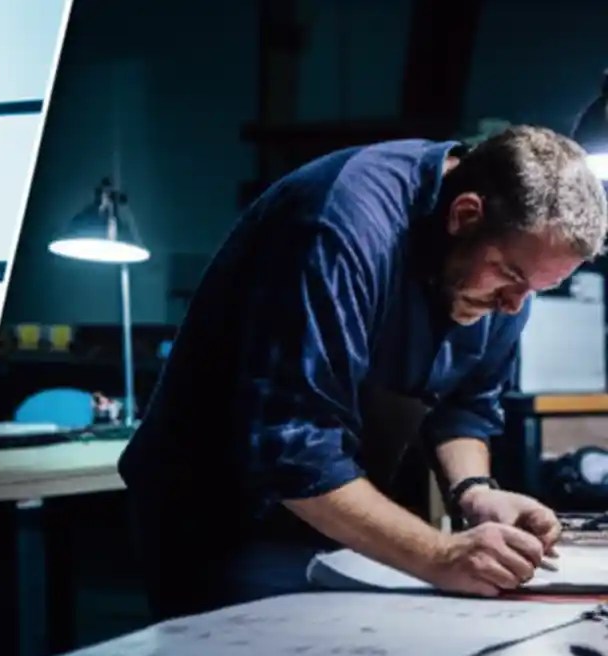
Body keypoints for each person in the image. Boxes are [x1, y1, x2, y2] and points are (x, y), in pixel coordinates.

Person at [119, 125, 608, 621]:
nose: (512, 308)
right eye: (511, 277)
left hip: (333, 514)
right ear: (464, 215)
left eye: (536, 291)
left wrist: (476, 494)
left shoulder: (500, 274)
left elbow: (464, 407)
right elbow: (292, 448)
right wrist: (440, 555)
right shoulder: (342, 224)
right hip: (219, 512)